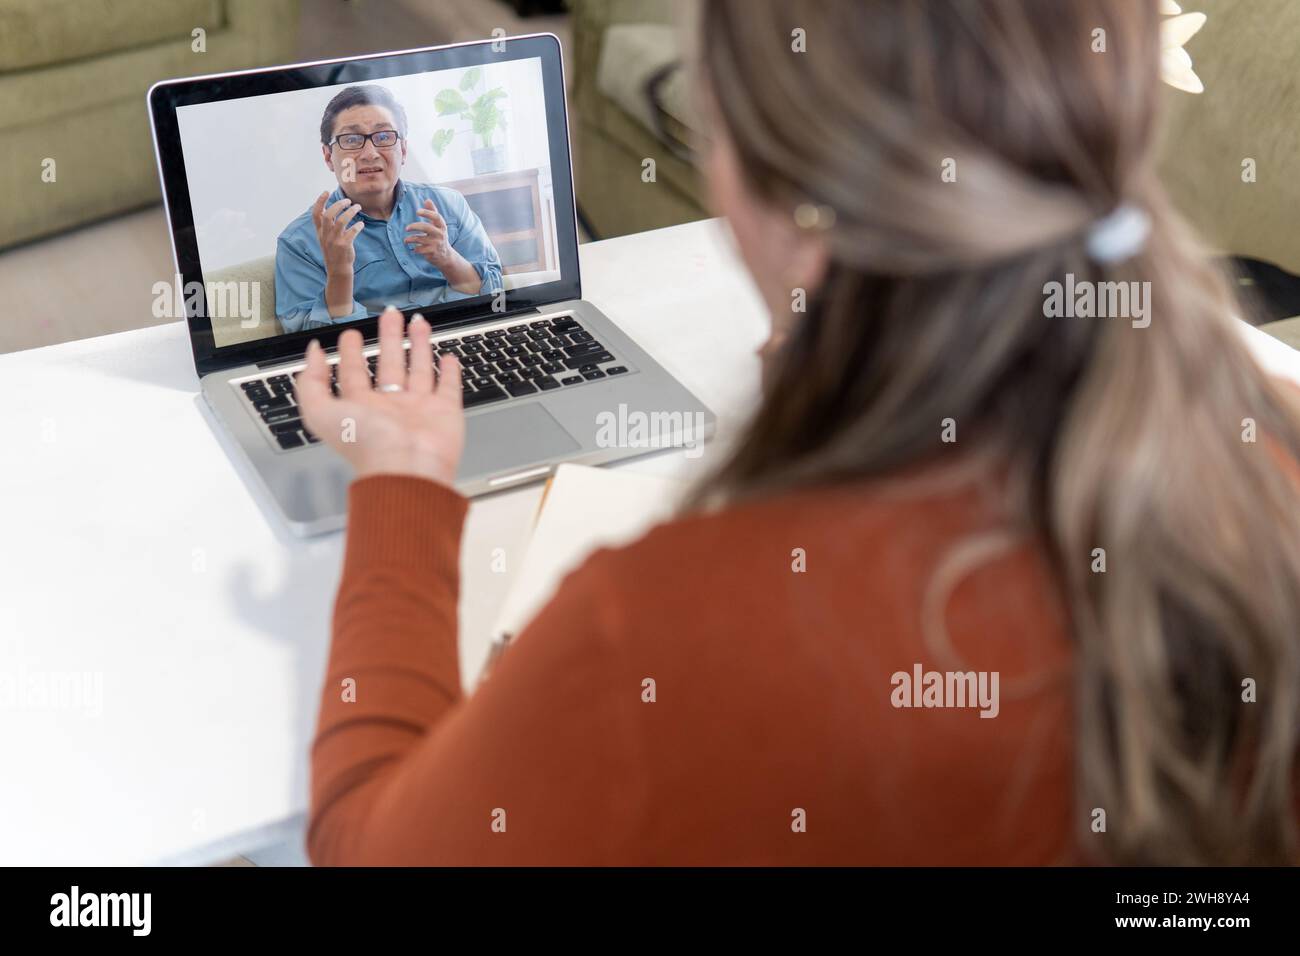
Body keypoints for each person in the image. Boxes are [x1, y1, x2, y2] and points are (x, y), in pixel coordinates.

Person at [295, 0, 1300, 865]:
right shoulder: (1266, 452)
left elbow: (371, 843)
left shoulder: (650, 629)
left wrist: (401, 478)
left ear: (781, 208)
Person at [275, 84, 503, 333]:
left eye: (384, 137)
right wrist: (339, 272)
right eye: (351, 140)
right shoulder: (298, 242)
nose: (370, 154)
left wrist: (447, 257)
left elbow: (495, 296)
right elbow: (306, 342)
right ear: (329, 157)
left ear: (403, 150)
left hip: (460, 336)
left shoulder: (449, 204)